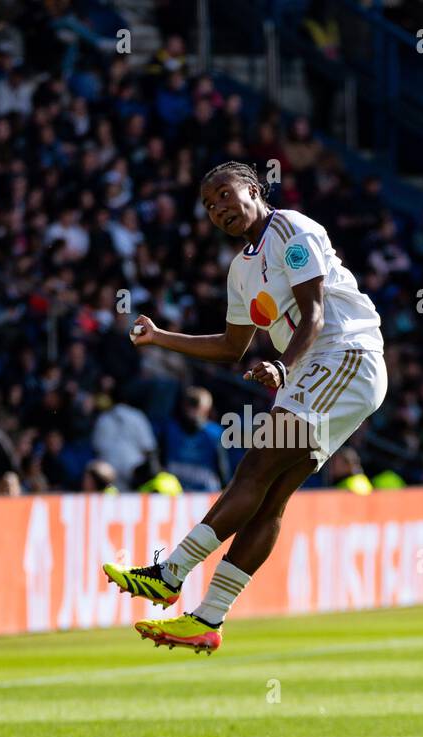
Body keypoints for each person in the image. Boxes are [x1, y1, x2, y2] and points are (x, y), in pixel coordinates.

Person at [101, 160, 387, 654]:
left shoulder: (290, 228)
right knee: (270, 495)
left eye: (225, 195)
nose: (219, 209)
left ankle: (170, 574)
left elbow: (314, 312)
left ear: (253, 189)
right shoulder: (240, 271)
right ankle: (208, 618)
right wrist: (162, 338)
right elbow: (233, 346)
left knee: (255, 467)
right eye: (210, 205)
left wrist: (280, 367)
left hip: (346, 355)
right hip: (315, 370)